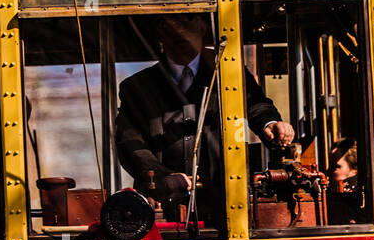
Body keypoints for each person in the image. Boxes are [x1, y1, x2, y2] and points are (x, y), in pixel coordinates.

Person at [115, 13, 294, 216]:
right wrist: (162, 177)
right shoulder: (136, 87)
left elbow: (256, 104)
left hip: (229, 205)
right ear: (159, 33)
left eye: (187, 20)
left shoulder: (230, 71)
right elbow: (130, 143)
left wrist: (269, 124)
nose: (178, 30)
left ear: (202, 27)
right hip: (163, 210)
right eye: (168, 23)